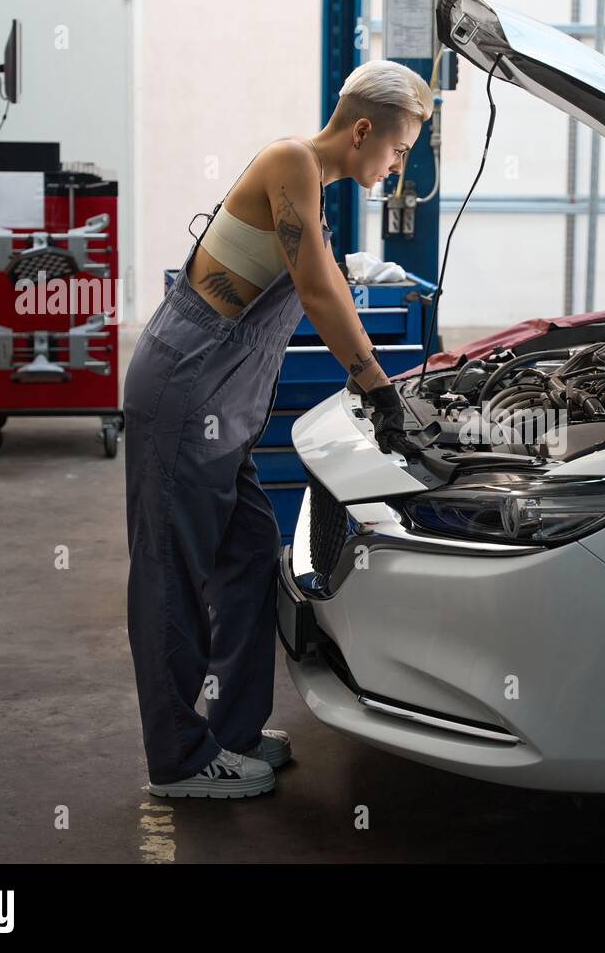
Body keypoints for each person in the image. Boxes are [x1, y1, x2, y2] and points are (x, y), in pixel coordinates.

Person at [123, 59, 431, 797]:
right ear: (362, 130)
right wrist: (377, 389)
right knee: (172, 570)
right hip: (183, 389)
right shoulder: (290, 160)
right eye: (397, 149)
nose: (397, 165)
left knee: (252, 545)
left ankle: (230, 730)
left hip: (219, 403)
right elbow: (317, 287)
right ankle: (180, 760)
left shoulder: (312, 190)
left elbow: (317, 280)